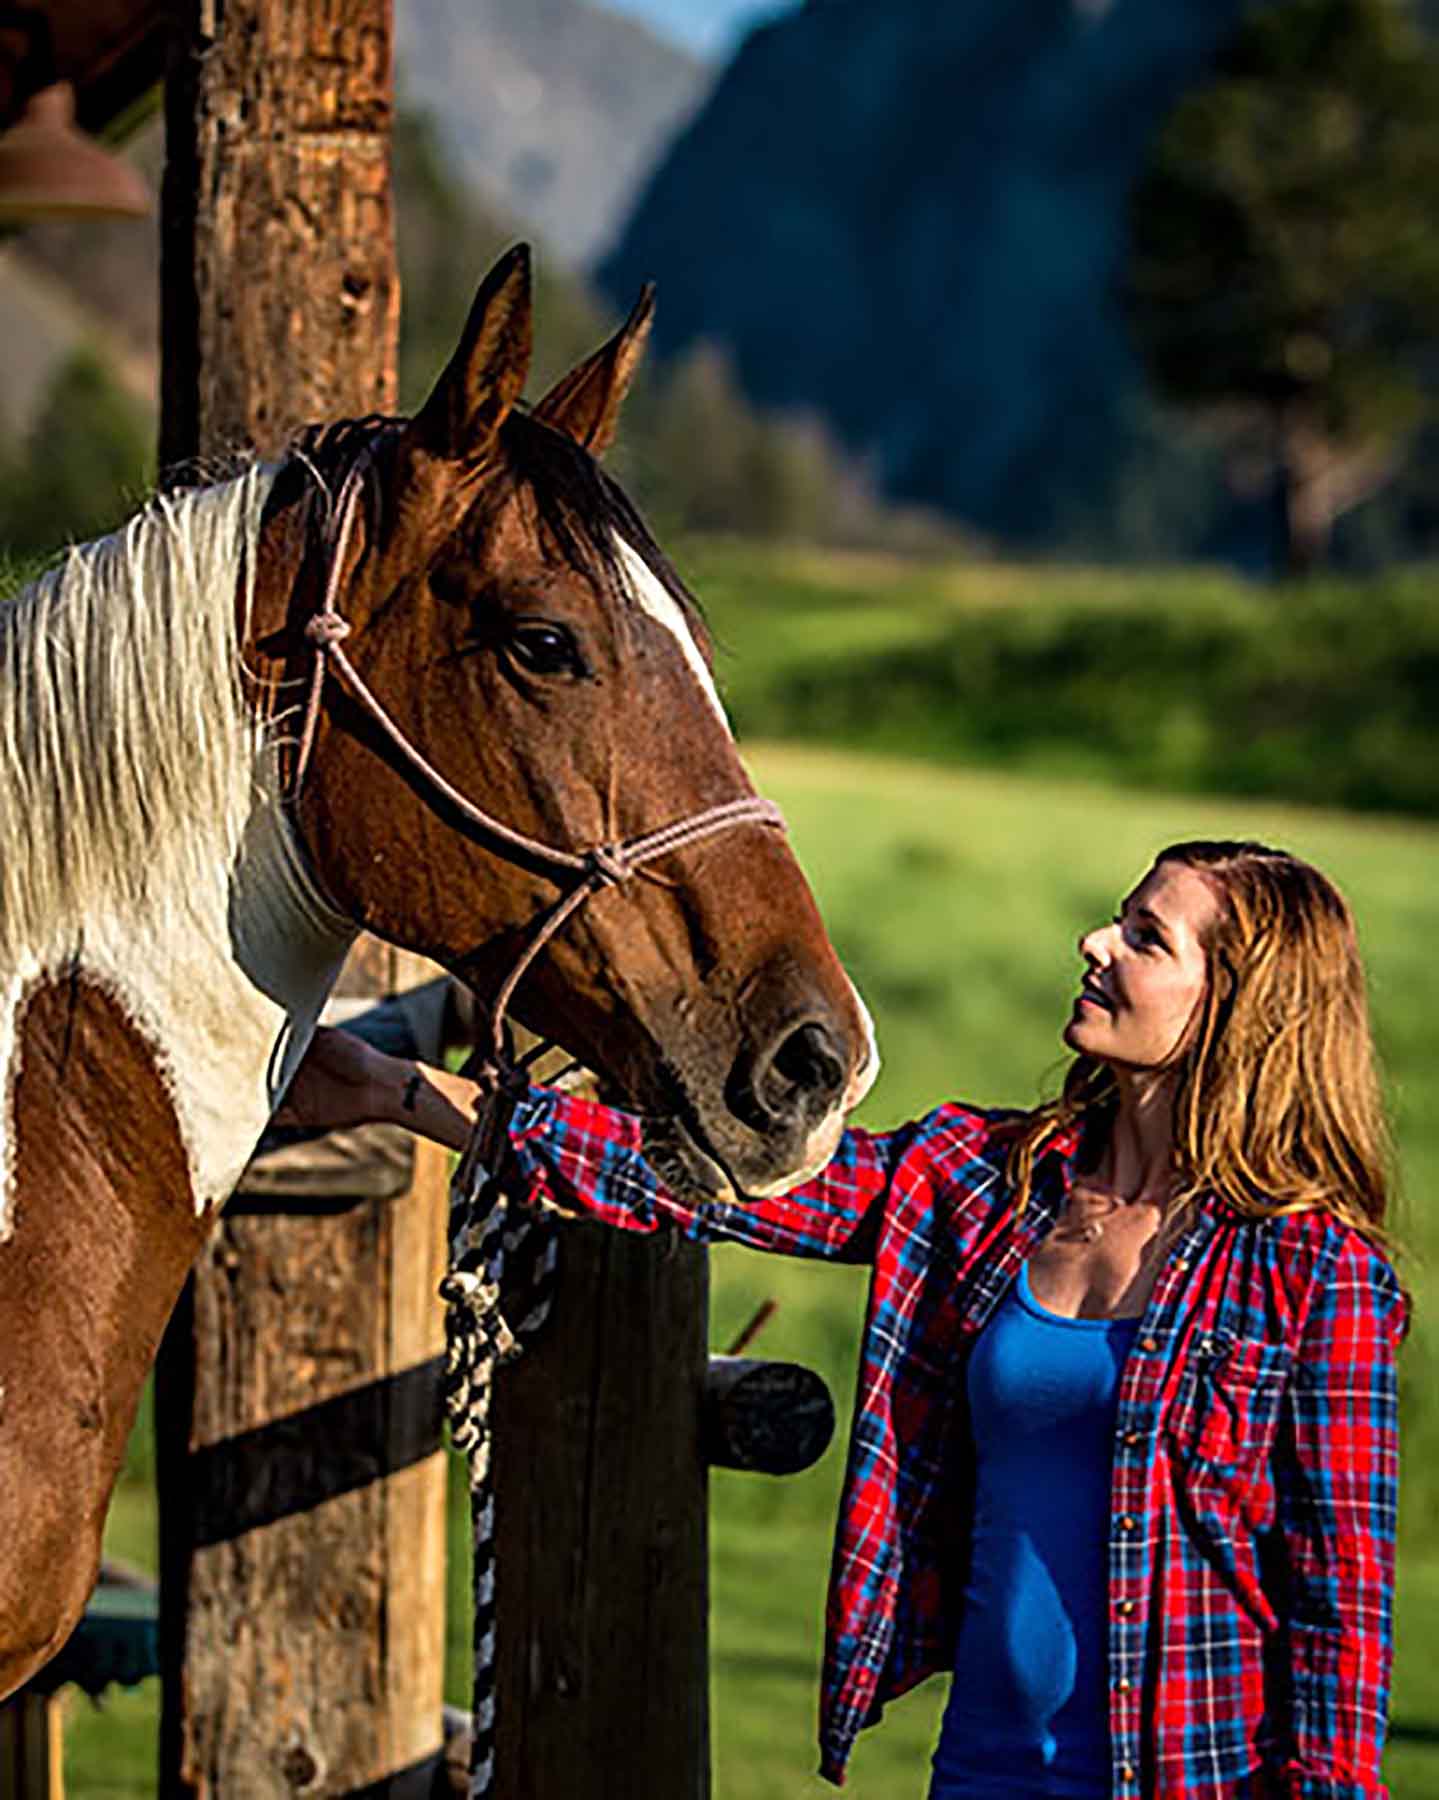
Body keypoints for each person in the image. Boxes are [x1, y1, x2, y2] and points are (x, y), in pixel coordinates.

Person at [282, 839, 1405, 1799]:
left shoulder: (1316, 1273)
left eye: (1145, 939)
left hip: (1189, 1772)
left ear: (1238, 1009)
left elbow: (1339, 1603)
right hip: (984, 1766)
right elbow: (718, 1181)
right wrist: (397, 1091)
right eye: (1114, 921)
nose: (1094, 946)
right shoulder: (982, 1183)